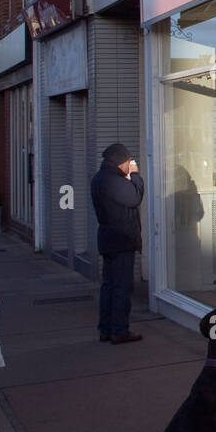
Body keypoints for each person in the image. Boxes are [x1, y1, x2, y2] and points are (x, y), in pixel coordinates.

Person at [90, 142, 144, 345]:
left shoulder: (99, 178)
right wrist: (136, 175)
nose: (130, 165)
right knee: (121, 287)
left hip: (107, 239)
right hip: (121, 241)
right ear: (121, 162)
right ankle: (120, 331)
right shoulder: (113, 181)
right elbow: (135, 198)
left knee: (109, 286)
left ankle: (106, 329)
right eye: (129, 162)